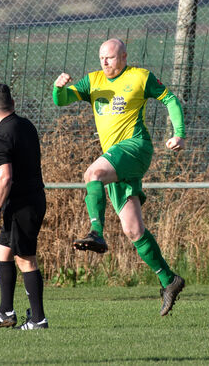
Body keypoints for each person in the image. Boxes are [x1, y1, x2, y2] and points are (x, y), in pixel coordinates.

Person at [52, 38, 186, 316]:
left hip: (135, 148)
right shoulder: (93, 81)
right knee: (133, 229)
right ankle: (169, 280)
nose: (104, 61)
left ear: (124, 57)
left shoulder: (140, 77)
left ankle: (96, 232)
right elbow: (61, 101)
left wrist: (179, 133)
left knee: (93, 173)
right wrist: (58, 87)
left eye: (110, 57)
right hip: (115, 159)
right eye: (101, 57)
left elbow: (171, 99)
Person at [0, 84, 48, 330]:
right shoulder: (26, 125)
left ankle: (38, 319)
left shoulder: (1, 136)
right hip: (33, 199)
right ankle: (5, 312)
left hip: (21, 206)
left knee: (26, 260)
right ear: (12, 103)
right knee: (2, 253)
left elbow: (4, 177)